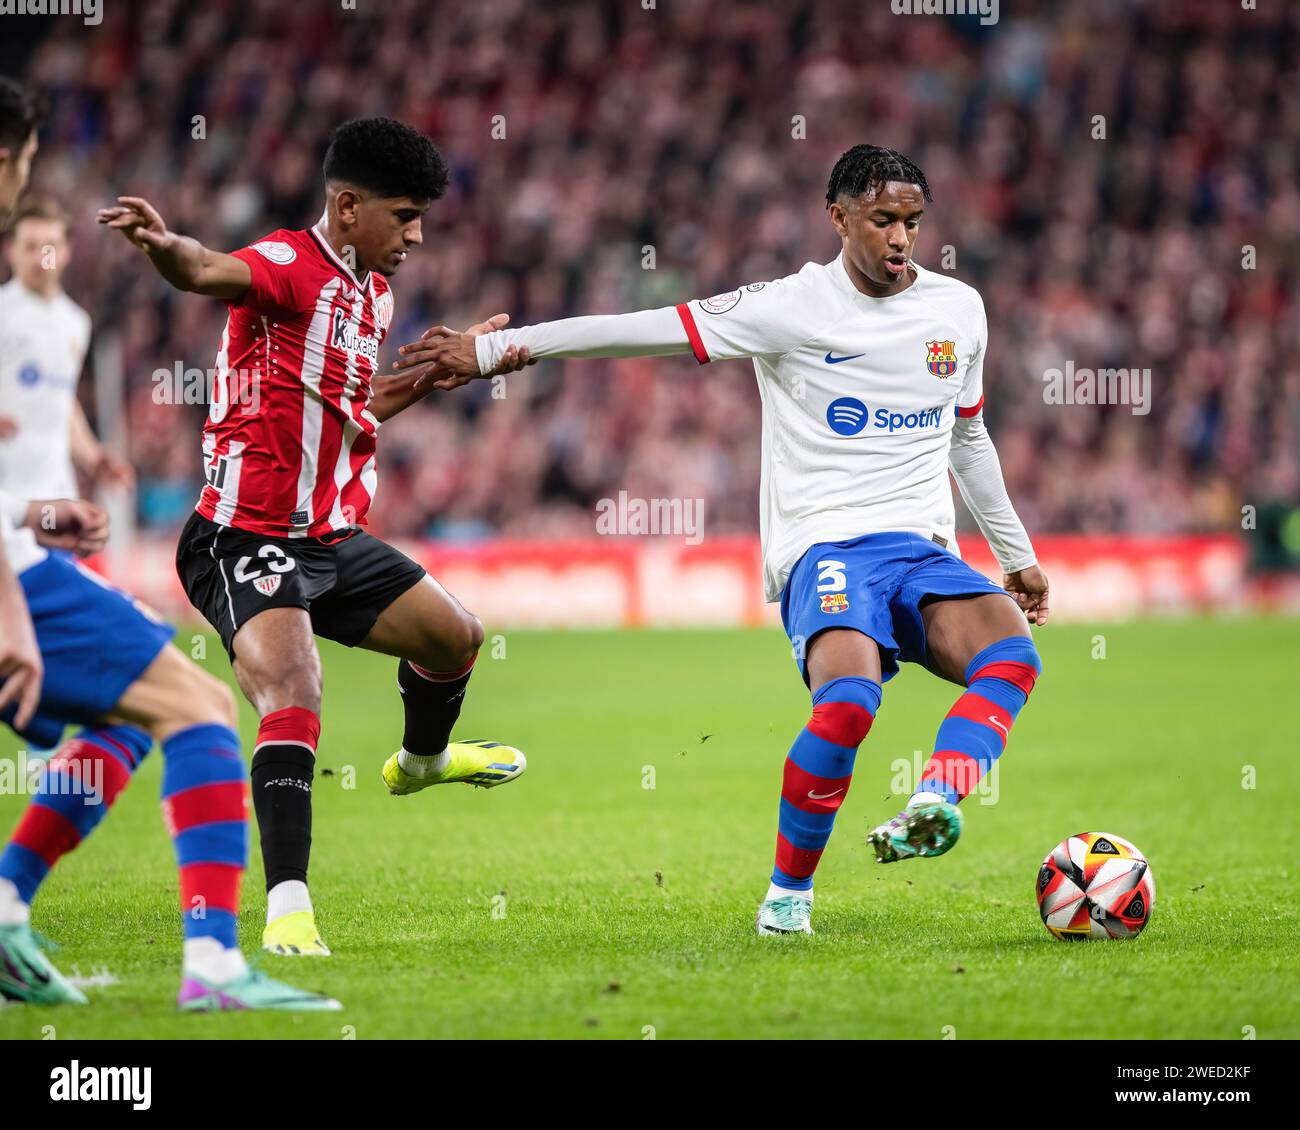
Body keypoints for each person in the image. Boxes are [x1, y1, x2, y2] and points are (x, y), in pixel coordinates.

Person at [392, 144, 1050, 936]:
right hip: (828, 548)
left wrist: (1016, 557)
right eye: (882, 220)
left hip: (920, 550)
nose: (901, 239)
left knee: (1013, 656)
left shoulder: (958, 309)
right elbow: (639, 329)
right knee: (848, 704)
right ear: (839, 218)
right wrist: (492, 350)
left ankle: (934, 799)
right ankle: (787, 898)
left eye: (912, 221)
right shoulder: (789, 306)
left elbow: (967, 439)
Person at [98, 117, 532, 957]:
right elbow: (205, 269)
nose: (416, 235)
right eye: (403, 216)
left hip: (329, 535)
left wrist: (452, 366)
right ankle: (288, 908)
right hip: (240, 536)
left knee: (457, 638)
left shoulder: (373, 293)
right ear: (346, 207)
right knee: (295, 688)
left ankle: (422, 762)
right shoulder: (290, 269)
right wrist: (163, 247)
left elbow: (356, 404)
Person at [0, 73, 336, 1010]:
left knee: (119, 717)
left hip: (24, 540)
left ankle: (6, 903)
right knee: (196, 706)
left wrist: (38, 511)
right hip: (11, 571)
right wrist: (10, 606)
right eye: (22, 167)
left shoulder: (65, 327)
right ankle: (215, 964)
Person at [0, 195, 134, 501]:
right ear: (11, 250)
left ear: (66, 252)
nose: (39, 257)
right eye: (29, 246)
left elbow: (61, 400)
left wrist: (92, 457)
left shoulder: (76, 322)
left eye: (48, 246)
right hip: (6, 496)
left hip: (56, 493)